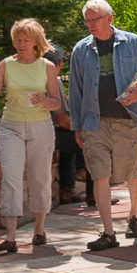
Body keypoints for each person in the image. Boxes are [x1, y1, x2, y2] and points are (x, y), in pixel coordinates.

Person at [70, 0, 137, 251]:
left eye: (94, 19)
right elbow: (75, 91)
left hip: (127, 121)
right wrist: (77, 126)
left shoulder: (133, 42)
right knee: (99, 175)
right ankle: (108, 233)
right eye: (87, 20)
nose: (90, 25)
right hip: (94, 123)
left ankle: (134, 214)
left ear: (109, 18)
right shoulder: (80, 50)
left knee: (132, 173)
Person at [0, 18, 63, 253]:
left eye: (26, 40)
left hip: (40, 127)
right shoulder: (5, 65)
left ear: (36, 41)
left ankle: (39, 230)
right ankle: (11, 236)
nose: (21, 44)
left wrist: (43, 100)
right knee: (11, 177)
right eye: (18, 40)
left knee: (40, 178)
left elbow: (56, 103)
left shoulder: (47, 66)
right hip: (11, 126)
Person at [45, 50, 84, 205]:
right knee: (89, 140)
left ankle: (67, 191)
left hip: (41, 130)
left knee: (70, 143)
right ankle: (93, 191)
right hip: (49, 132)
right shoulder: (53, 81)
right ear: (59, 63)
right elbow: (61, 120)